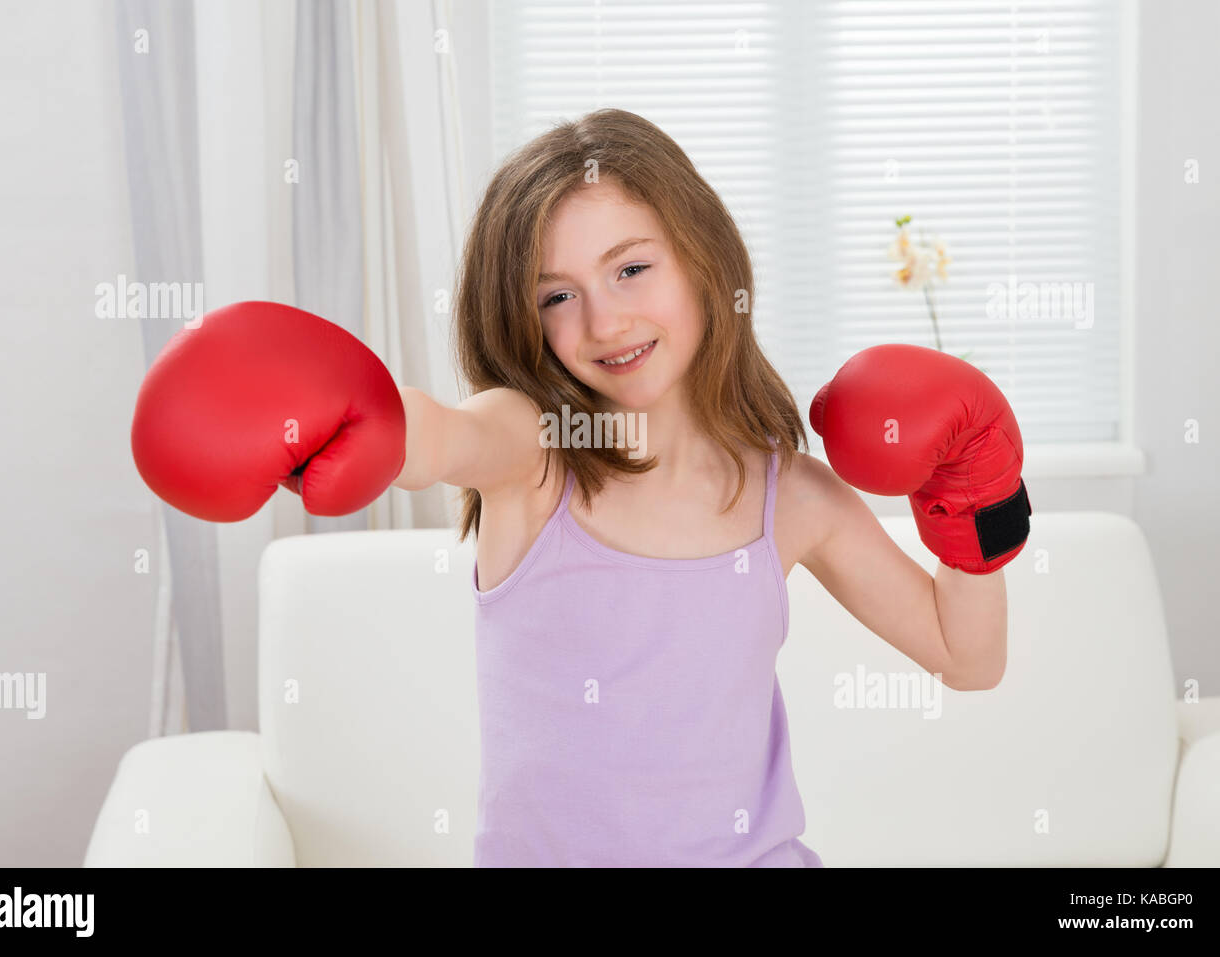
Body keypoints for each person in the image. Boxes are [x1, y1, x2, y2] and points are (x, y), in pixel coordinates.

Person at [132, 108, 1028, 868]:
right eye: (555, 295)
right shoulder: (538, 457)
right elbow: (447, 433)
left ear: (703, 261)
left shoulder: (787, 495)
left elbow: (968, 656)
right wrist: (349, 413)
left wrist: (976, 491)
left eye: (631, 269)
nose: (603, 319)